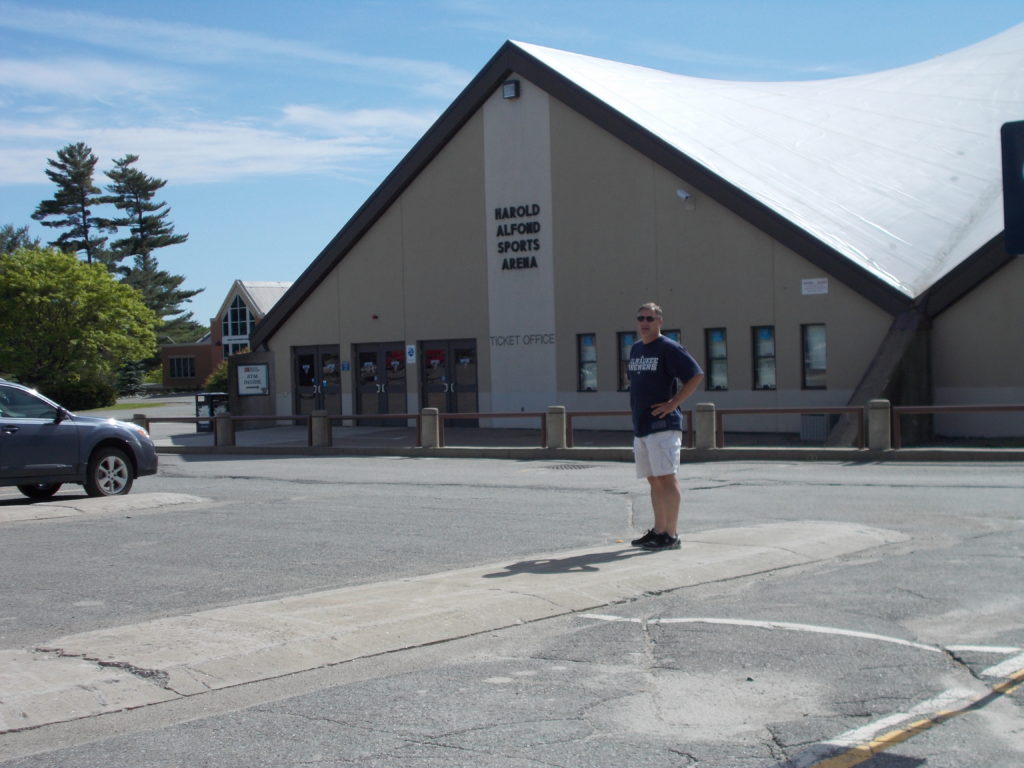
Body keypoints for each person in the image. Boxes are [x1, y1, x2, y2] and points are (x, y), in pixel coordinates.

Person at [627, 302, 704, 550]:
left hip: (663, 425)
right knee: (654, 480)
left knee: (667, 478)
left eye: (650, 318)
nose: (645, 323)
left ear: (660, 321)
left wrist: (673, 403)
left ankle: (671, 535)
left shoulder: (669, 348)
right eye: (641, 318)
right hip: (642, 425)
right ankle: (658, 530)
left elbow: (696, 374)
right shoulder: (637, 349)